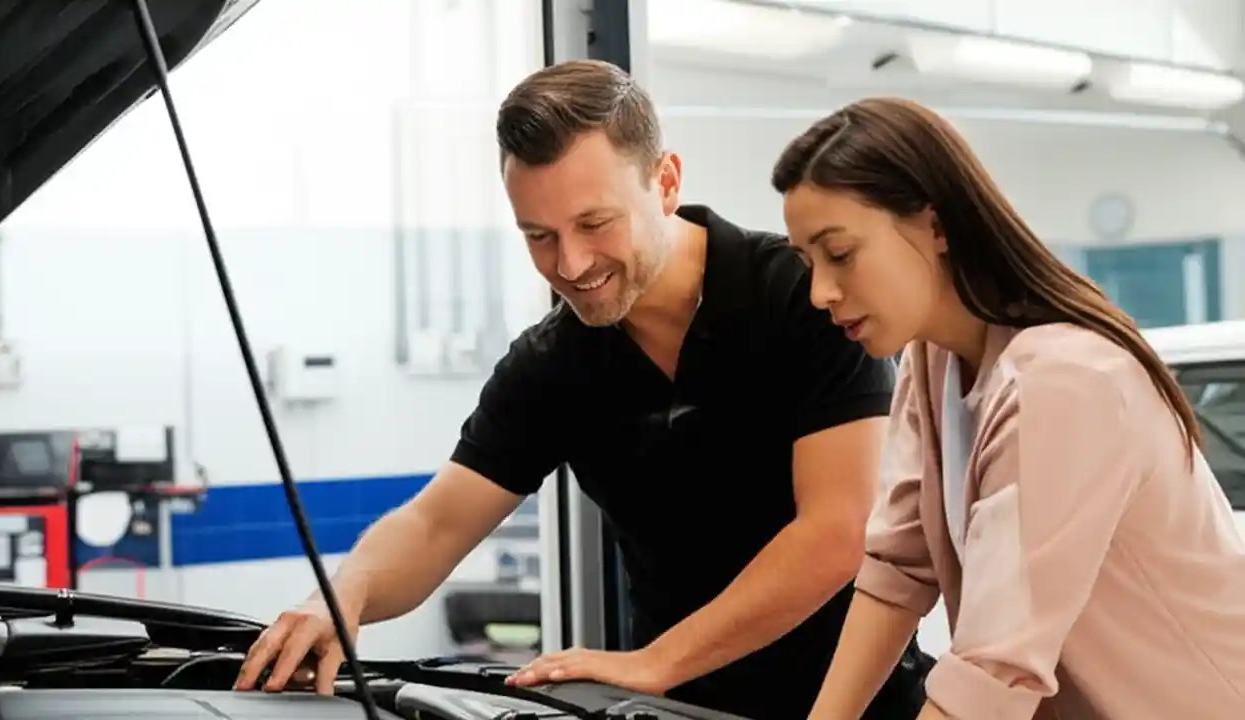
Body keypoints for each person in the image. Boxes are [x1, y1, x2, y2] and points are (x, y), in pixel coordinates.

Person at [233, 60, 933, 718]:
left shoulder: (802, 295)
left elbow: (838, 530)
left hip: (857, 705)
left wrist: (656, 661)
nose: (569, 264)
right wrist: (345, 594)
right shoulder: (553, 364)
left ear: (665, 182)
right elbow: (436, 523)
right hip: (676, 711)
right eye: (539, 236)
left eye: (595, 224)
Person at [769, 96, 1245, 720]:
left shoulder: (1064, 382)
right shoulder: (934, 361)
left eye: (841, 254)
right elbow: (897, 570)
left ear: (936, 227)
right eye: (807, 263)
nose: (821, 292)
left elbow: (996, 668)